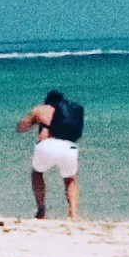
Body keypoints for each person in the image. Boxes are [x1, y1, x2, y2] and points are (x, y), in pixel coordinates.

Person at [17, 85, 85, 221]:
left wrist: (36, 121)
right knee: (70, 179)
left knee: (37, 173)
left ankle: (41, 209)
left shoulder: (42, 109)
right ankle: (73, 213)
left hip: (47, 145)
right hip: (69, 148)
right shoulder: (71, 112)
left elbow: (21, 127)